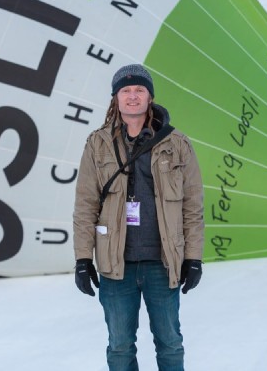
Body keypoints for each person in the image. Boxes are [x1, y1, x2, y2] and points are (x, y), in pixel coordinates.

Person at [73, 64, 205, 371]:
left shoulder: (178, 144)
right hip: (115, 266)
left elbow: (192, 206)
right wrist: (82, 259)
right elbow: (85, 205)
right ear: (115, 98)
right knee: (120, 347)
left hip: (163, 262)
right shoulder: (97, 144)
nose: (133, 96)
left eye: (139, 90)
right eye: (126, 90)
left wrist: (194, 258)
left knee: (170, 343)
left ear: (150, 97)